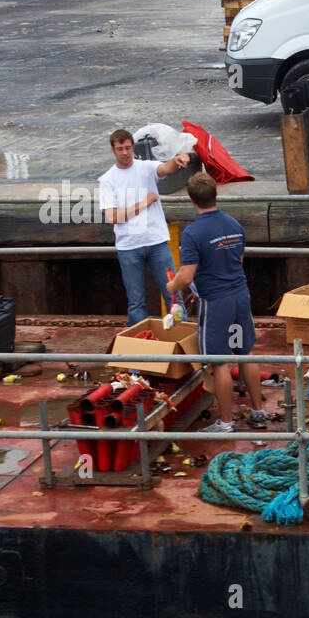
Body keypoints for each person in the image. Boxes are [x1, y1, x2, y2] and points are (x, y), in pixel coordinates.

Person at [166, 172, 267, 432]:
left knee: (220, 362)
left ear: (191, 200)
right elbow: (237, 262)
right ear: (216, 195)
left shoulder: (192, 233)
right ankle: (258, 413)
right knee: (245, 354)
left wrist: (172, 286)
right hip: (240, 297)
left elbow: (186, 275)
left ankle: (225, 423)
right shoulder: (234, 225)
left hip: (215, 303)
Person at [98, 129, 191, 326]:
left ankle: (180, 333)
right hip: (129, 247)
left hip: (157, 242)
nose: (125, 152)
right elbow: (113, 216)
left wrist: (178, 159)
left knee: (173, 295)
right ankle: (140, 343)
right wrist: (145, 203)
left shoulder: (146, 167)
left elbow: (165, 168)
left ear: (133, 147)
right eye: (120, 149)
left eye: (128, 148)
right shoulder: (107, 180)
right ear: (113, 150)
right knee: (136, 302)